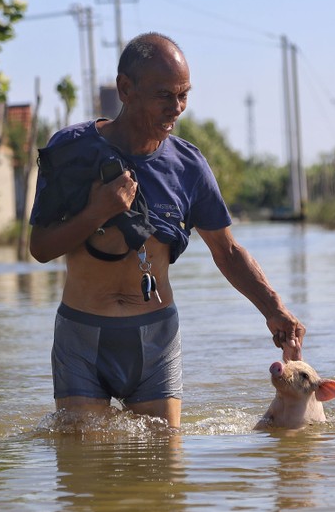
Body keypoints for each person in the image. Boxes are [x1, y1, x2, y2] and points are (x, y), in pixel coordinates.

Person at [29, 32, 305, 428]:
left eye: (184, 95)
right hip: (82, 334)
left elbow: (226, 251)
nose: (176, 108)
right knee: (83, 472)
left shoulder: (189, 165)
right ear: (126, 88)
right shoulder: (71, 150)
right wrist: (98, 211)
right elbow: (39, 247)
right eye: (164, 95)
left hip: (155, 337)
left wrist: (274, 307)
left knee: (164, 474)